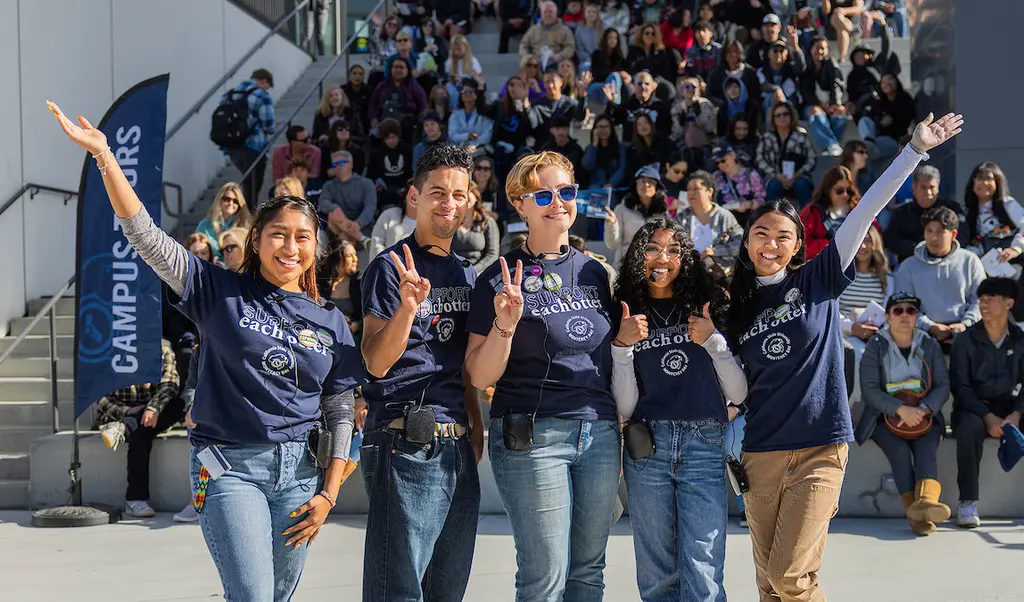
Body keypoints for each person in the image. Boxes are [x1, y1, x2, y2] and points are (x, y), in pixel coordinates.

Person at [50, 100, 364, 599]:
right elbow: (147, 238)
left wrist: (329, 490)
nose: (290, 246)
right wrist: (106, 158)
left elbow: (340, 406)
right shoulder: (216, 289)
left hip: (300, 478)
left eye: (302, 237)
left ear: (314, 248)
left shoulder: (329, 320)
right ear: (256, 239)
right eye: (278, 234)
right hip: (229, 468)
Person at [726, 112, 961, 601]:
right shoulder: (737, 307)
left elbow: (867, 209)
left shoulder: (819, 278)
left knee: (792, 576)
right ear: (747, 242)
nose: (771, 244)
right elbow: (735, 384)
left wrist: (913, 151)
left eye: (783, 236)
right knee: (770, 585)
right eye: (761, 234)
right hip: (760, 452)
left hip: (818, 448)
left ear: (798, 246)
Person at [465, 151, 621, 601]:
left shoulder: (598, 272)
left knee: (588, 572)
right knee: (545, 575)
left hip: (599, 432)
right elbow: (479, 374)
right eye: (544, 194)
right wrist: (505, 325)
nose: (559, 202)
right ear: (519, 203)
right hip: (533, 436)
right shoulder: (495, 278)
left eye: (567, 192)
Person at [359, 144, 483, 601]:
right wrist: (408, 310)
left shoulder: (469, 276)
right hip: (404, 441)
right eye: (436, 192)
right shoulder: (389, 267)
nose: (447, 203)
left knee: (446, 591)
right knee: (399, 591)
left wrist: (475, 422)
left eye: (457, 193)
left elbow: (466, 366)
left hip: (456, 444)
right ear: (414, 198)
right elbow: (375, 362)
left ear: (469, 201)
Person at [611, 218, 746, 602]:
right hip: (646, 445)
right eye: (652, 248)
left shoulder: (707, 306)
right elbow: (625, 405)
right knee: (657, 574)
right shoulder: (623, 312)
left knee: (703, 567)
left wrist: (712, 341)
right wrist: (621, 347)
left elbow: (738, 392)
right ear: (638, 255)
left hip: (703, 439)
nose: (662, 258)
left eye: (673, 250)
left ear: (686, 258)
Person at [856, 292, 951, 535]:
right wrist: (900, 410)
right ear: (887, 317)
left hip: (924, 415)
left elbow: (942, 385)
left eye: (911, 311)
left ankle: (925, 505)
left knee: (926, 450)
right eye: (898, 311)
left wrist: (922, 410)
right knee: (899, 453)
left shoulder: (928, 344)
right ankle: (918, 516)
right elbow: (869, 390)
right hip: (882, 418)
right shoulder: (876, 346)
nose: (905, 315)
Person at [950, 276, 1024, 528]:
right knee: (968, 428)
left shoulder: (1020, 338)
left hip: (1009, 405)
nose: (984, 304)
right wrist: (986, 415)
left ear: (1009, 303)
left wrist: (1017, 414)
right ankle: (967, 501)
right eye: (981, 299)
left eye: (991, 299)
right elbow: (960, 387)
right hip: (973, 407)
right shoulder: (966, 340)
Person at [95, 338, 183, 518]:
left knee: (177, 404)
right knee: (141, 433)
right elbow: (100, 397)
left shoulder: (162, 348)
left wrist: (153, 407)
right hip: (118, 413)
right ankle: (135, 499)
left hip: (153, 412)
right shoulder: (111, 349)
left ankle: (123, 428)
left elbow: (170, 383)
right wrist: (127, 411)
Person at [894, 206, 985, 352]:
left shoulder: (970, 261)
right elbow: (903, 305)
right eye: (929, 231)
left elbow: (980, 300)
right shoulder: (908, 266)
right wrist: (929, 326)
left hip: (966, 334)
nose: (933, 237)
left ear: (954, 234)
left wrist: (965, 324)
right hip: (921, 336)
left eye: (940, 232)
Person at [884, 165, 968, 261]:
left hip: (948, 260)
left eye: (932, 187)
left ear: (938, 188)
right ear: (914, 188)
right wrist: (920, 250)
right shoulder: (902, 213)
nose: (928, 192)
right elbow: (891, 239)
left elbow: (963, 234)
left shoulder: (953, 208)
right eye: (923, 187)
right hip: (912, 263)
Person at [218, 68, 275, 206]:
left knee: (247, 184)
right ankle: (246, 219)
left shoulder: (229, 94)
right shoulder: (262, 95)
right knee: (253, 188)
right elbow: (269, 125)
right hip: (253, 147)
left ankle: (241, 216)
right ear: (265, 81)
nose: (268, 89)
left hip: (232, 146)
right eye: (269, 86)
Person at [800, 165, 877, 259]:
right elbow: (802, 245)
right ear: (828, 189)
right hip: (823, 262)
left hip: (856, 262)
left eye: (849, 191)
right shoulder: (812, 212)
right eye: (839, 191)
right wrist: (831, 246)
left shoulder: (858, 209)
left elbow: (875, 232)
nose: (845, 195)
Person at [605, 165, 669, 266]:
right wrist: (612, 224)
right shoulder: (622, 209)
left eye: (651, 182)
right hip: (626, 266)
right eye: (641, 181)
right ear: (635, 184)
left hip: (655, 267)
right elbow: (612, 244)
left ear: (657, 187)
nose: (646, 184)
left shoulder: (663, 212)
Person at [757, 100, 816, 205]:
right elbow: (759, 160)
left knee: (801, 184)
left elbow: (812, 159)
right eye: (778, 115)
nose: (782, 118)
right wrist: (776, 175)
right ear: (773, 119)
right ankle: (771, 218)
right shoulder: (767, 138)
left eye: (785, 114)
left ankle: (808, 219)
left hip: (798, 177)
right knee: (774, 185)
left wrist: (798, 174)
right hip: (774, 177)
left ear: (791, 116)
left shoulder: (801, 136)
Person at [676, 170, 744, 263]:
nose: (691, 193)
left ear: (710, 192)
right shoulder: (681, 217)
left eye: (696, 189)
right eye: (689, 189)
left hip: (718, 271)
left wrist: (716, 251)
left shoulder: (724, 216)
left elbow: (740, 243)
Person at [963, 161, 1024, 259]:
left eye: (989, 178)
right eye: (979, 178)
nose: (984, 183)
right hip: (985, 263)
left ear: (997, 182)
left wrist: (1015, 249)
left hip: (1012, 260)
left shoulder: (1007, 204)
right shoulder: (968, 211)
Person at [800, 37, 848, 156]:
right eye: (816, 48)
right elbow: (806, 93)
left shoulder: (832, 66)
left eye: (822, 48)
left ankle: (828, 149)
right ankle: (831, 144)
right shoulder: (806, 69)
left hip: (831, 103)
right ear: (810, 50)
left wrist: (834, 104)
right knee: (815, 111)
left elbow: (836, 85)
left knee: (841, 111)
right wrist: (820, 105)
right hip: (813, 105)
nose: (819, 51)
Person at [319, 150, 377, 245]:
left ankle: (348, 241)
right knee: (332, 214)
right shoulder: (329, 185)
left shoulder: (366, 183)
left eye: (342, 163)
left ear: (351, 164)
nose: (338, 167)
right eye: (335, 165)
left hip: (363, 226)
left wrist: (358, 223)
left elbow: (370, 207)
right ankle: (361, 239)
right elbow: (323, 202)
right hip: (339, 223)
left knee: (337, 226)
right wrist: (335, 207)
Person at [604, 70, 672, 145]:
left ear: (653, 87)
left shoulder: (661, 107)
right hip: (631, 149)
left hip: (655, 148)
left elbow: (667, 130)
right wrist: (611, 102)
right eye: (639, 83)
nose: (643, 86)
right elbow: (611, 120)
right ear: (634, 85)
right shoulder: (626, 106)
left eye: (647, 84)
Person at [859, 72, 915, 162]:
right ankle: (868, 142)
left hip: (893, 140)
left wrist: (892, 120)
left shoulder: (905, 99)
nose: (887, 84)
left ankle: (868, 146)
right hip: (875, 138)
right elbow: (871, 119)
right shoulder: (879, 102)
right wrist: (880, 123)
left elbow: (905, 122)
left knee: (865, 150)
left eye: (890, 80)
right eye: (883, 82)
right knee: (864, 121)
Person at [368, 57, 427, 139]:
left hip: (407, 124)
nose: (398, 70)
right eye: (395, 67)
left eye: (401, 67)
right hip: (384, 122)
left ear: (407, 70)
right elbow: (372, 105)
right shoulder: (382, 86)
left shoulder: (414, 87)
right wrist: (374, 122)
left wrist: (418, 124)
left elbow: (422, 106)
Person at [194, 182, 252, 260]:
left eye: (235, 201)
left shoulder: (244, 226)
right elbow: (195, 249)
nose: (231, 203)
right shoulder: (204, 226)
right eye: (227, 199)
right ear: (219, 200)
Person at [452, 182, 501, 273]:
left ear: (476, 196)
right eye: (460, 193)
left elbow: (492, 254)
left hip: (480, 273)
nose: (465, 196)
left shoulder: (487, 222)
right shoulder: (450, 220)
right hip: (452, 272)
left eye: (468, 192)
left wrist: (473, 271)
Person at [367, 119, 414, 211]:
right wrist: (378, 184)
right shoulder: (375, 154)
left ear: (398, 136)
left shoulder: (408, 151)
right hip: (384, 191)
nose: (390, 141)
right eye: (387, 138)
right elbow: (371, 176)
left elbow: (411, 173)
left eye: (393, 137)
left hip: (404, 188)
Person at [319, 240, 363, 338]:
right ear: (338, 259)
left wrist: (357, 325)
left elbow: (370, 317)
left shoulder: (361, 285)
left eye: (355, 255)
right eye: (349, 256)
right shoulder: (320, 283)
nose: (355, 259)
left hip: (350, 338)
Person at [713, 145, 766, 223]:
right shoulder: (716, 176)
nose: (721, 165)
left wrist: (749, 204)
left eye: (723, 160)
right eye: (717, 163)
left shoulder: (750, 174)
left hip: (748, 219)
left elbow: (762, 199)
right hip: (724, 219)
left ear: (733, 155)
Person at [755, 38, 806, 118]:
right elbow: (763, 85)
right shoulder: (762, 71)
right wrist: (777, 90)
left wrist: (795, 46)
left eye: (781, 51)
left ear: (786, 55)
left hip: (789, 103)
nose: (778, 54)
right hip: (769, 105)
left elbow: (801, 68)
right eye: (775, 51)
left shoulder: (791, 69)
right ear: (769, 54)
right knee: (771, 96)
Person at [519, 1, 576, 69]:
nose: (548, 15)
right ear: (541, 14)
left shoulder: (564, 30)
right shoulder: (533, 30)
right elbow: (523, 45)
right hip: (535, 63)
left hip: (557, 62)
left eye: (550, 12)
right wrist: (528, 58)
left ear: (556, 13)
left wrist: (559, 56)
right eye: (545, 12)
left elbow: (570, 47)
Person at [626, 25, 682, 92]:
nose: (650, 36)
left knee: (669, 89)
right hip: (638, 81)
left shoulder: (661, 52)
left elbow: (664, 71)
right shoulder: (633, 51)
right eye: (647, 33)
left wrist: (656, 81)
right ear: (641, 35)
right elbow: (631, 68)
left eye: (653, 34)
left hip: (655, 82)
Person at [670, 76, 717, 155]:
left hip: (705, 142)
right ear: (682, 92)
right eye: (687, 87)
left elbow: (710, 128)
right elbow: (676, 134)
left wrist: (698, 116)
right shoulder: (677, 108)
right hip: (684, 144)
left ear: (699, 90)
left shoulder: (706, 104)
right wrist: (681, 123)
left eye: (693, 87)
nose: (690, 89)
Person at [582, 114, 628, 190]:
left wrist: (611, 183)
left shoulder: (620, 147)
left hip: (615, 188)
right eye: (600, 127)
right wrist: (594, 144)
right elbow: (587, 165)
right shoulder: (590, 148)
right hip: (595, 188)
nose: (603, 130)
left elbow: (622, 168)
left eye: (606, 126)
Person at [448, 81, 494, 153]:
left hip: (480, 150)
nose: (467, 94)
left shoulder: (484, 115)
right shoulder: (455, 115)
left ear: (476, 95)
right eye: (464, 92)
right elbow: (453, 136)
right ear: (461, 96)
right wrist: (468, 136)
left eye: (470, 91)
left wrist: (473, 143)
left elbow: (487, 136)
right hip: (458, 151)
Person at [342, 64, 372, 137]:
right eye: (354, 74)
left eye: (360, 74)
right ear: (349, 75)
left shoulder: (369, 91)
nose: (357, 76)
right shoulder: (342, 90)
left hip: (364, 123)